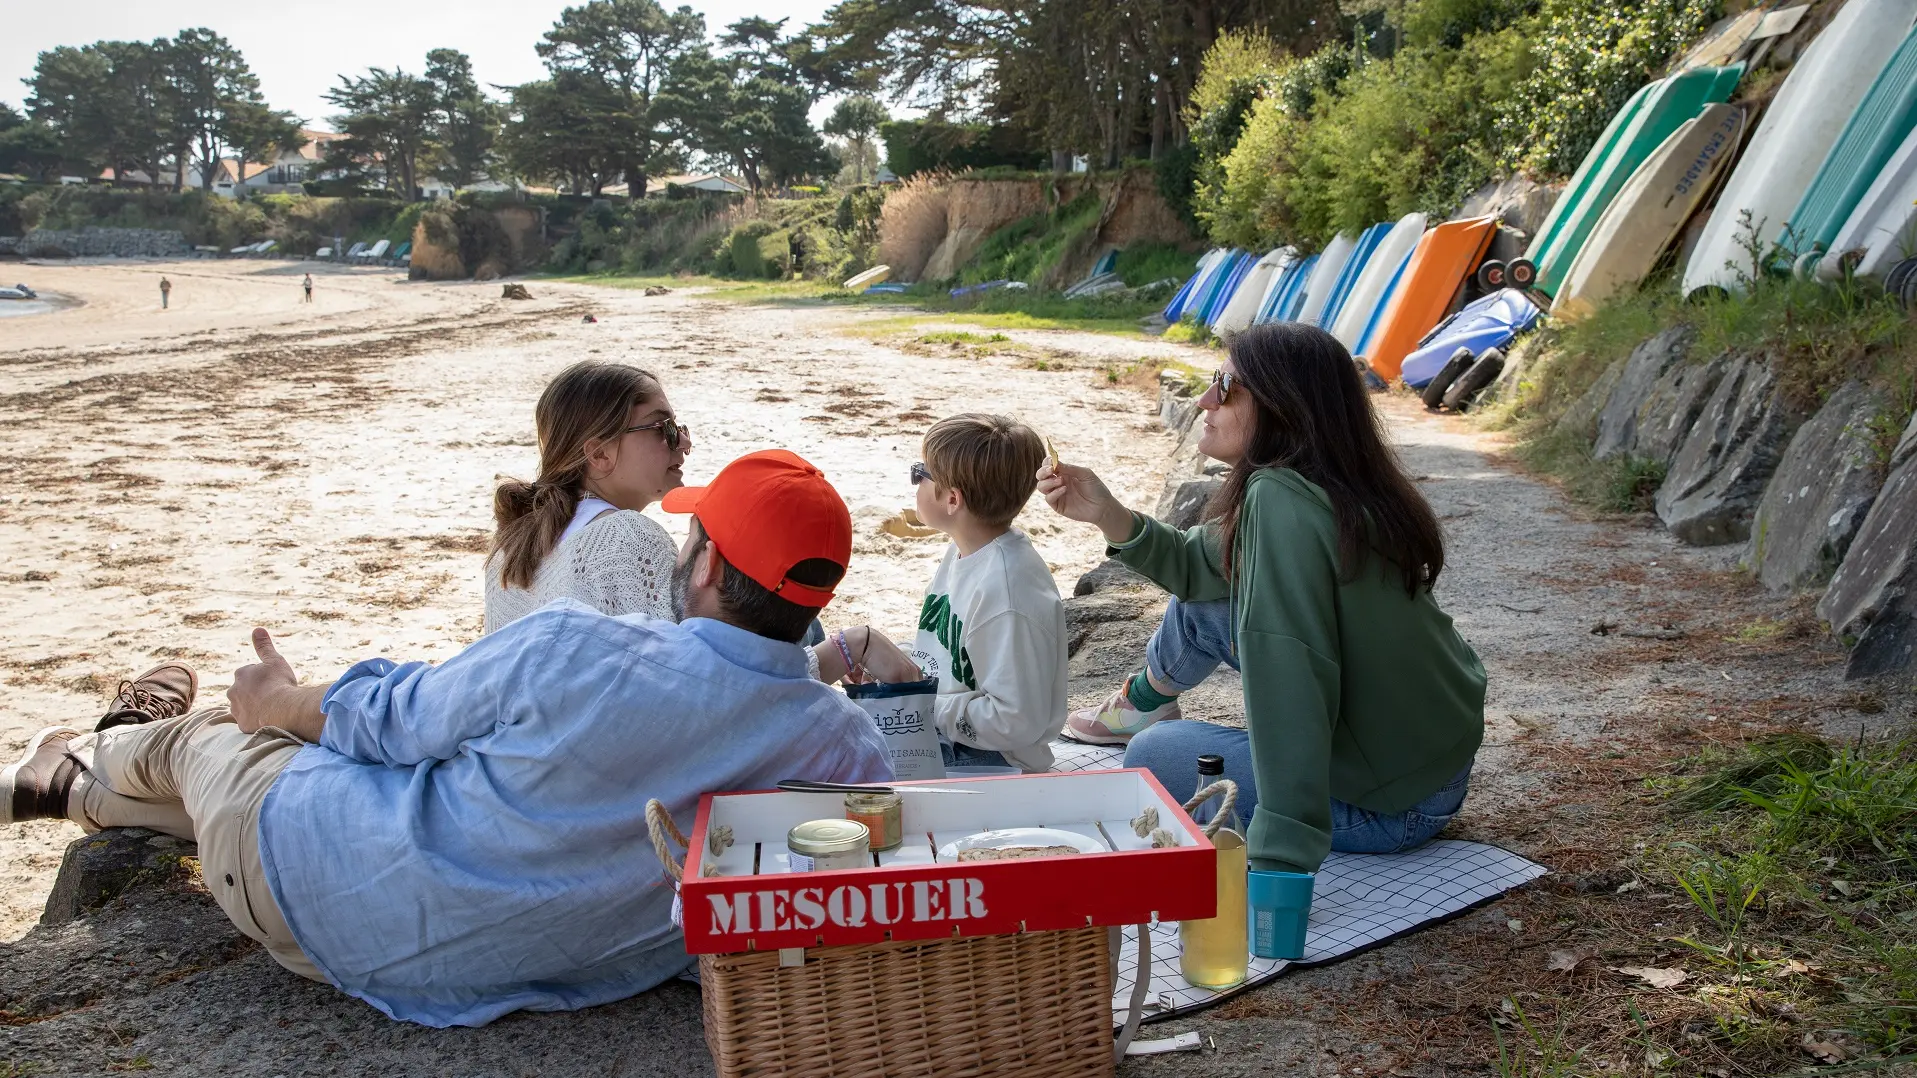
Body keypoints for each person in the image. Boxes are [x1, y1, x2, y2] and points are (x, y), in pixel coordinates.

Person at [1, 450, 892, 1027]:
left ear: (705, 563)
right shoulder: (845, 752)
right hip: (487, 975)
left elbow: (388, 724)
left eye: (688, 540)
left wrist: (276, 698)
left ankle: (99, 745)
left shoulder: (578, 646)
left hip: (313, 881)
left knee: (206, 741)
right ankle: (71, 791)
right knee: (233, 796)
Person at [1037, 321, 1485, 876]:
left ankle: (1145, 717)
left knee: (1155, 753)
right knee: (1203, 602)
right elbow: (1196, 567)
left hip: (1392, 809)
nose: (1205, 399)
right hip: (1429, 765)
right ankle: (1144, 702)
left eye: (1226, 387)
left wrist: (1280, 858)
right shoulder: (1329, 482)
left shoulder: (1279, 501)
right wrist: (1105, 512)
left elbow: (1292, 677)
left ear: (1281, 406)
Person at [896, 414, 1067, 773]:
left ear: (952, 499)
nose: (915, 481)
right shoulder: (966, 551)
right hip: (951, 730)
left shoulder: (1006, 592)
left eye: (920, 473)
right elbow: (945, 656)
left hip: (991, 757)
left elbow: (1015, 721)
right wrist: (894, 667)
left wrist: (922, 705)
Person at [484, 362, 690, 633]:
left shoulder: (510, 547)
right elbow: (678, 655)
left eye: (679, 427)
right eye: (663, 428)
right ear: (599, 453)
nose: (684, 442)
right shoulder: (628, 537)